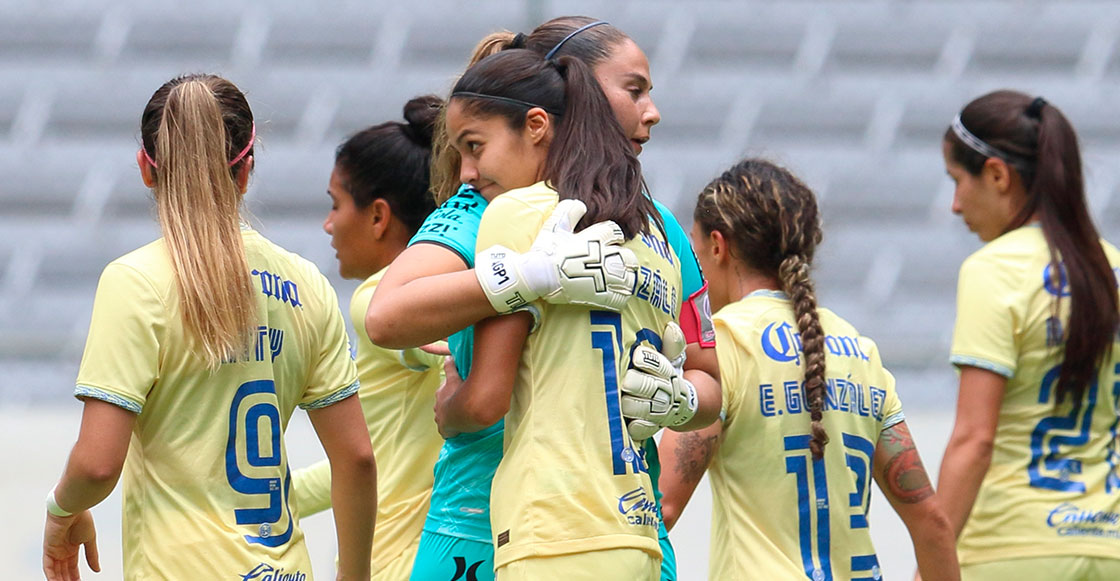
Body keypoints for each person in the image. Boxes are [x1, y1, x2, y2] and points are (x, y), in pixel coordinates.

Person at [370, 17, 721, 581]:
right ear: (571, 89)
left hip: (569, 527)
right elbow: (386, 313)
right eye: (633, 89)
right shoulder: (484, 203)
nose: (651, 110)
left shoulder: (658, 227)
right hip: (492, 523)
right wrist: (532, 273)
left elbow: (711, 384)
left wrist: (676, 398)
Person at [41, 74, 376, 581]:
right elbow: (356, 459)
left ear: (146, 171)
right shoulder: (306, 282)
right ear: (247, 171)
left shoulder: (135, 283)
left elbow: (96, 465)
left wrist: (61, 510)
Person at [663, 158, 959, 580]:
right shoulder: (859, 350)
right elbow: (933, 524)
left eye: (695, 253)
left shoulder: (725, 346)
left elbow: (662, 507)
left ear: (717, 245)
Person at [935, 91, 1120, 580]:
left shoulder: (992, 271)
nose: (955, 205)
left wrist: (930, 562)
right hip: (1109, 551)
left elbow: (975, 439)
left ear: (997, 175)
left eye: (958, 181)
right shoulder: (1113, 271)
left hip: (1011, 551)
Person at [291, 95, 443, 580]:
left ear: (378, 216)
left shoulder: (380, 302)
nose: (328, 223)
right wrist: (265, 499)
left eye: (336, 204)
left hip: (391, 564)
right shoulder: (451, 291)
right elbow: (364, 458)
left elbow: (419, 343)